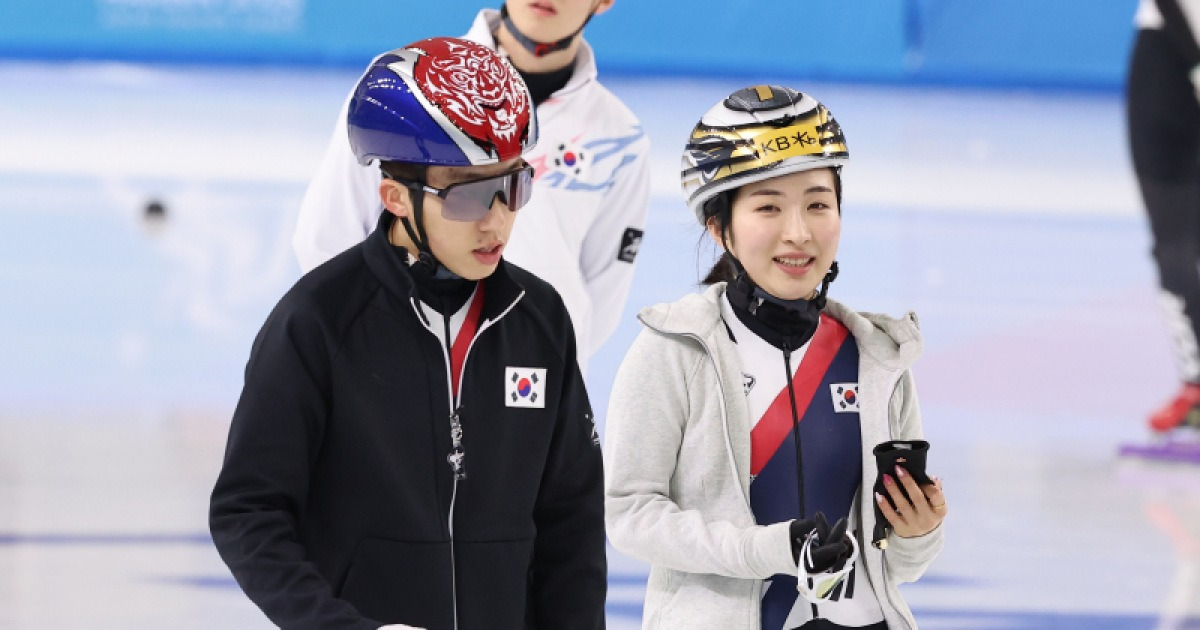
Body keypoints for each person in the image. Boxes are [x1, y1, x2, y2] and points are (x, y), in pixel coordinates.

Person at [209, 37, 605, 630]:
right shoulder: (318, 322)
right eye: (470, 194)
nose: (498, 219)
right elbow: (248, 513)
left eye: (513, 186)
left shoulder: (538, 318)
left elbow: (570, 521)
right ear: (395, 196)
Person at [603, 85, 946, 629]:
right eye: (768, 206)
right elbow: (630, 516)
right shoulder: (674, 349)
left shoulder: (877, 356)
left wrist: (918, 532)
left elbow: (897, 566)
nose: (798, 232)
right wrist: (770, 549)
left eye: (817, 203)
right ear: (719, 227)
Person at [294, 0, 651, 374]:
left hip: (532, 383)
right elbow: (327, 234)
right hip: (393, 366)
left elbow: (603, 293)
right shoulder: (404, 86)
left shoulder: (620, 137)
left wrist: (543, 364)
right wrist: (369, 350)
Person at [1128, 0, 1200, 435]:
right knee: (1173, 240)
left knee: (1174, 241)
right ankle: (1195, 387)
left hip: (1175, 55)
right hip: (1167, 60)